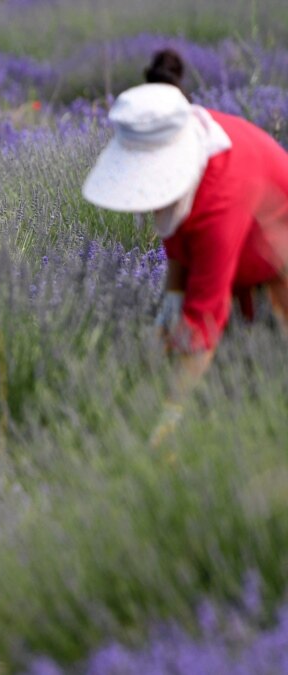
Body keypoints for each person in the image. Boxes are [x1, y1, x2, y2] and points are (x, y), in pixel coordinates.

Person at [81, 50, 288, 441]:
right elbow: (177, 232)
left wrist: (169, 414)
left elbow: (205, 316)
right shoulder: (189, 145)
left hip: (277, 249)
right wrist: (173, 294)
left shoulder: (222, 195)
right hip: (245, 235)